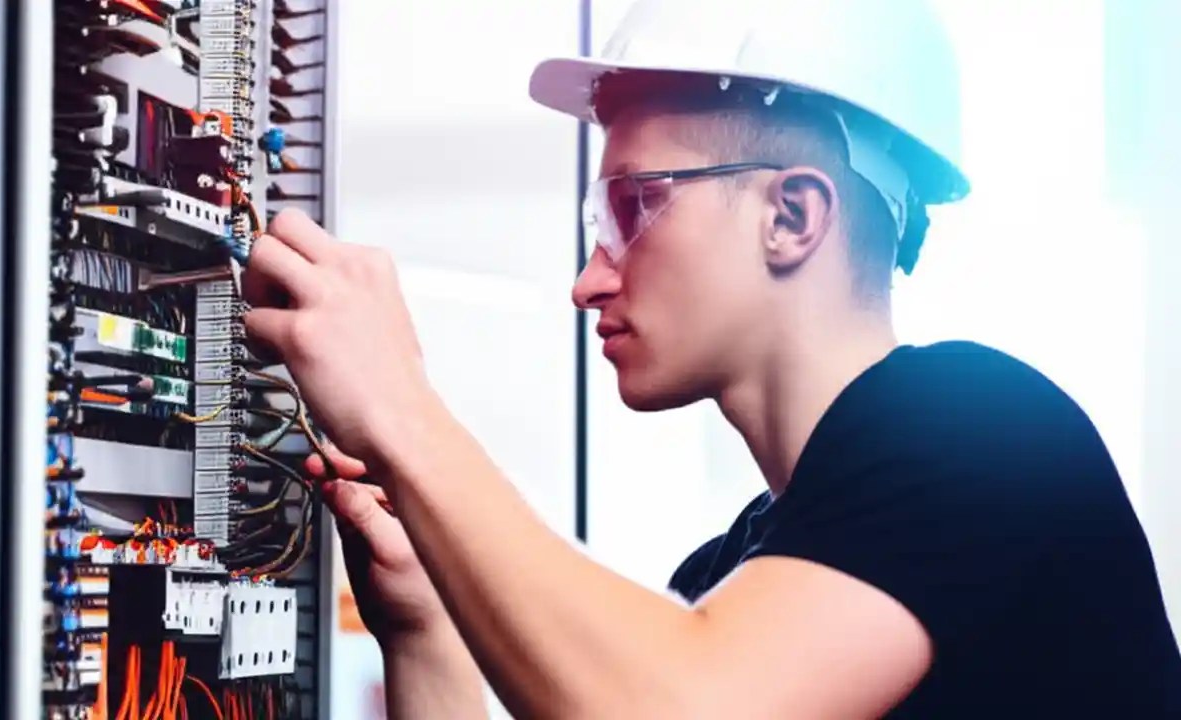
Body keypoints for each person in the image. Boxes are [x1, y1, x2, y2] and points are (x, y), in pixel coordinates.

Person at [242, 0, 1181, 717]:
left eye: (632, 208)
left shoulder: (988, 432)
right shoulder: (728, 583)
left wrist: (403, 411)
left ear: (793, 217)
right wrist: (424, 624)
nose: (588, 280)